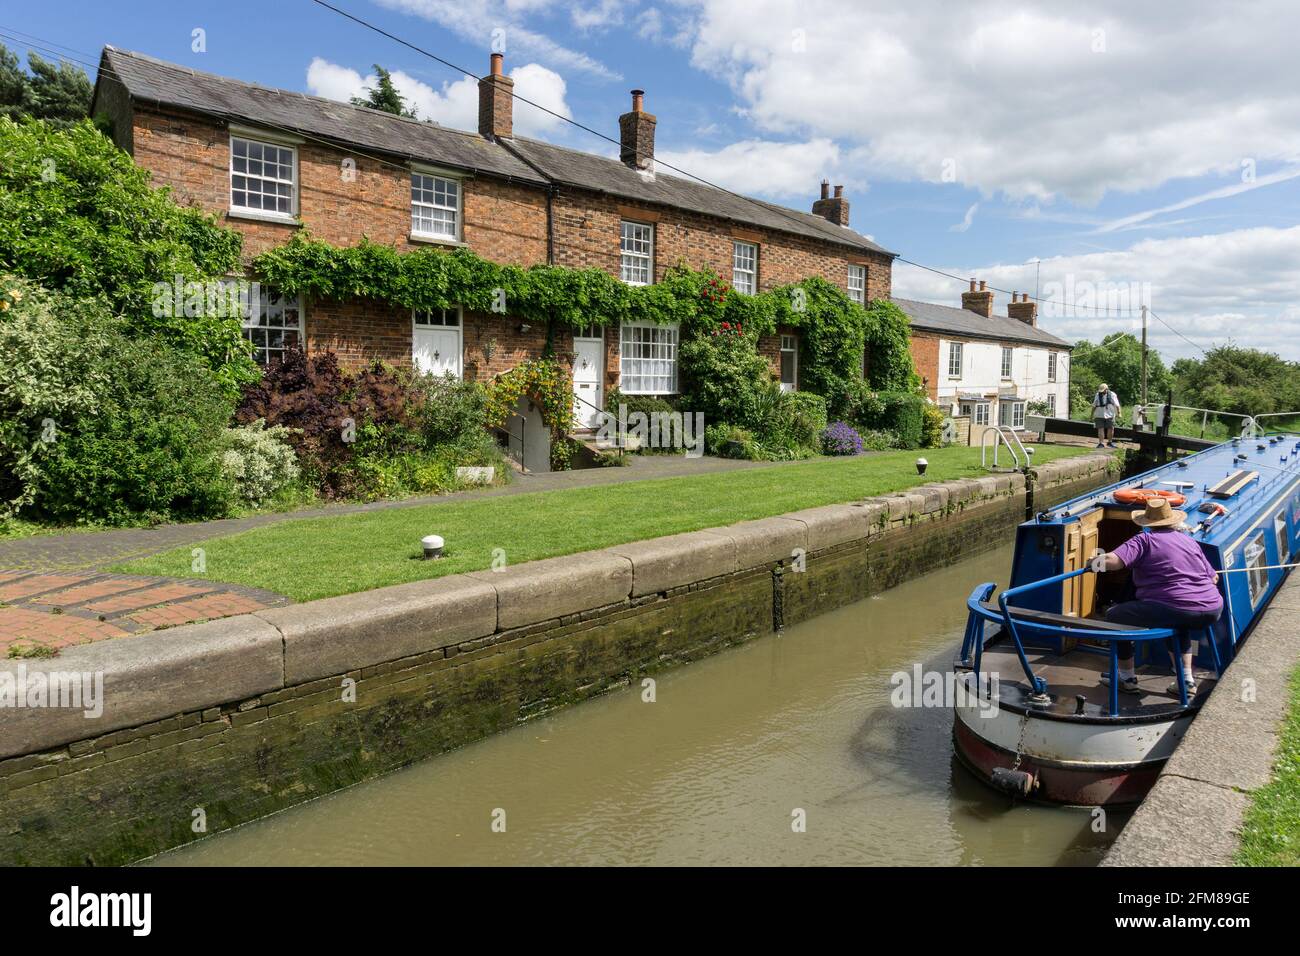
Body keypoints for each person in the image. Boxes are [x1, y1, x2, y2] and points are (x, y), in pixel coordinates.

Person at [1091, 497, 1223, 697]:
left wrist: (1093, 562)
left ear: (1147, 523)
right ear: (1172, 521)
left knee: (1115, 616)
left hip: (1177, 607)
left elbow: (1114, 561)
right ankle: (1186, 680)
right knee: (1177, 623)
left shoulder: (1144, 539)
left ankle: (1126, 677)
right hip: (1213, 609)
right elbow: (1214, 577)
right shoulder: (1189, 541)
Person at [1092, 383, 1121, 448]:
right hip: (1099, 414)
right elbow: (1094, 405)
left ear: (1106, 389)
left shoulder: (1113, 395)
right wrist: (1092, 414)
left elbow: (1117, 405)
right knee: (1100, 429)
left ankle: (1110, 442)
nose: (1102, 392)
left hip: (1110, 414)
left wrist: (1119, 413)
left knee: (1111, 428)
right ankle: (1101, 443)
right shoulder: (1097, 395)